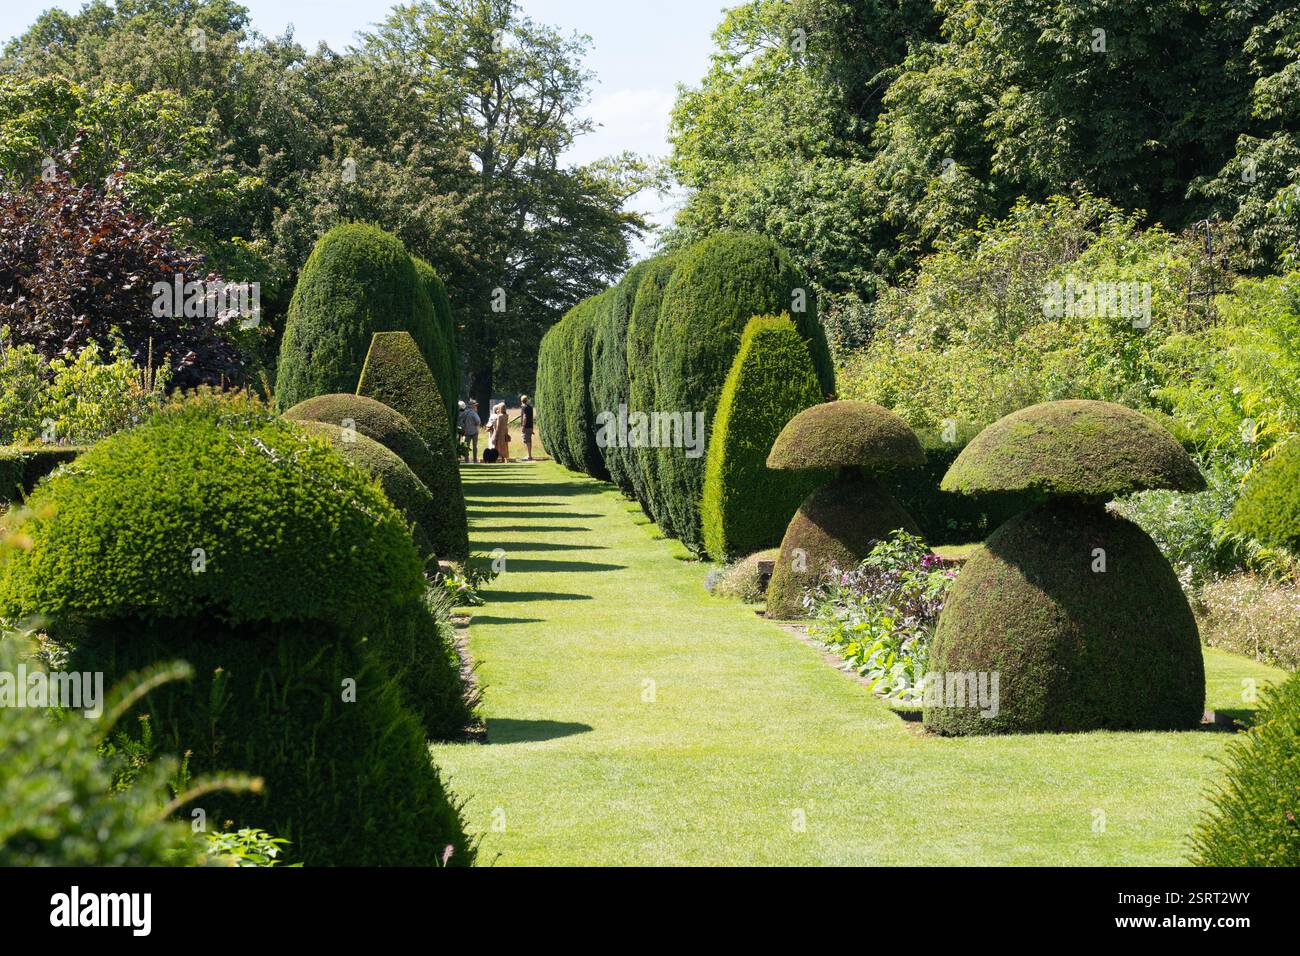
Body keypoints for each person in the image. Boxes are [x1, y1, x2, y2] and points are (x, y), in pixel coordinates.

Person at [519, 394, 535, 461]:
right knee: (529, 441)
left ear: (521, 401)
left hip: (526, 427)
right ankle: (529, 455)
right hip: (530, 426)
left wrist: (523, 426)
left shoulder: (523, 407)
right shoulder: (530, 407)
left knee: (527, 441)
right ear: (527, 400)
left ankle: (529, 456)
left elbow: (525, 417)